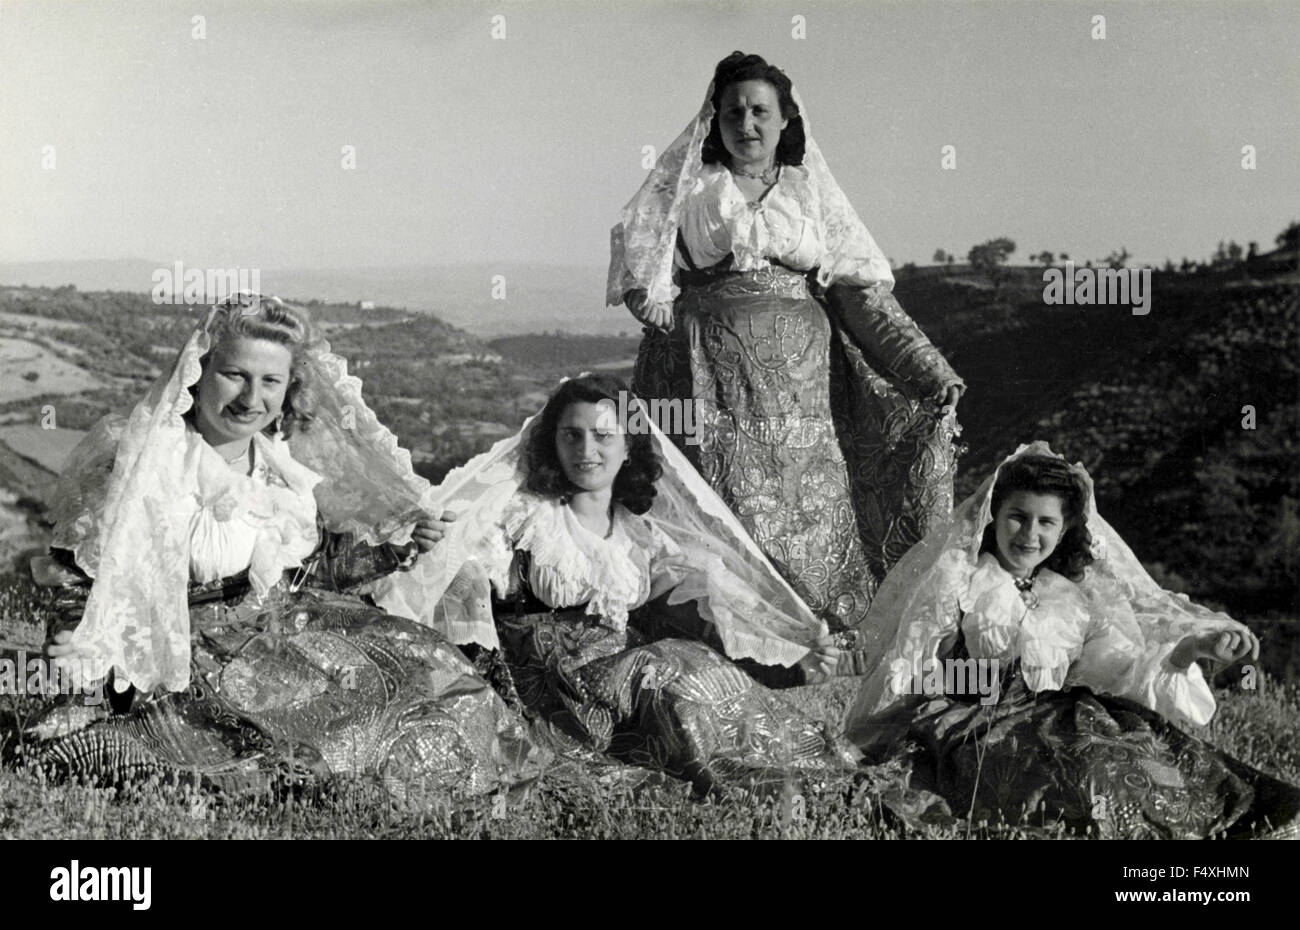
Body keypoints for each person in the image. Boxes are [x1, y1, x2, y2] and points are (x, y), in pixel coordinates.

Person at [30, 293, 541, 800]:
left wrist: (396, 548)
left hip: (276, 631)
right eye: (235, 375)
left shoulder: (280, 469)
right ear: (198, 374)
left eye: (270, 381)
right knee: (288, 753)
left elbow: (312, 572)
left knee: (425, 670)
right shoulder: (141, 464)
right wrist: (76, 634)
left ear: (288, 387)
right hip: (177, 650)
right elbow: (78, 573)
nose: (251, 398)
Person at [607, 51, 964, 670]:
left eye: (760, 111)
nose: (746, 123)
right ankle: (737, 651)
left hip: (803, 389)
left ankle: (825, 648)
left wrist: (926, 365)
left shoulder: (809, 192)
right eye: (733, 111)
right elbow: (640, 258)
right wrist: (650, 300)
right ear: (714, 120)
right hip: (703, 374)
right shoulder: (690, 188)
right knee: (719, 509)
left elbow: (859, 290)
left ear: (785, 120)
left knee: (807, 508)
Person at [374, 374, 859, 796]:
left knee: (690, 663)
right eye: (572, 436)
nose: (586, 451)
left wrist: (791, 663)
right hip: (553, 694)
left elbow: (705, 620)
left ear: (629, 446)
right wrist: (425, 545)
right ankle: (726, 776)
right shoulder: (523, 521)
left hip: (621, 679)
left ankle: (775, 767)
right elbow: (458, 575)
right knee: (660, 665)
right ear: (553, 443)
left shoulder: (640, 537)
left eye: (603, 436)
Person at [843, 442, 1300, 838]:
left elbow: (1117, 669)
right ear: (993, 517)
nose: (1030, 534)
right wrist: (975, 688)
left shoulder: (1072, 597)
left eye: (1046, 522)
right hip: (971, 724)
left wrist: (1189, 651)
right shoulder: (959, 578)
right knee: (1080, 781)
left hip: (1062, 720)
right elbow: (915, 666)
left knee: (1136, 759)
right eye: (1018, 517)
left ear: (1063, 530)